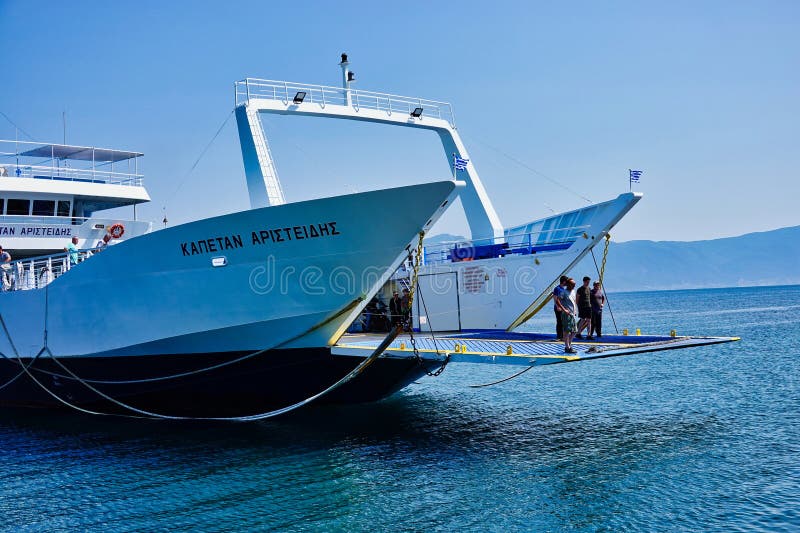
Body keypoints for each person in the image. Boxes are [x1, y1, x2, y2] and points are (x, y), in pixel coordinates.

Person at [554, 277, 578, 353]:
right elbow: (557, 300)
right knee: (567, 331)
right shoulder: (564, 292)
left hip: (572, 313)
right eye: (572, 284)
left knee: (574, 331)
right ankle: (567, 347)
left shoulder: (573, 291)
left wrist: (575, 310)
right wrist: (563, 309)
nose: (574, 286)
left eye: (574, 284)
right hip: (566, 314)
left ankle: (569, 345)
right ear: (568, 284)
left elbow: (574, 301)